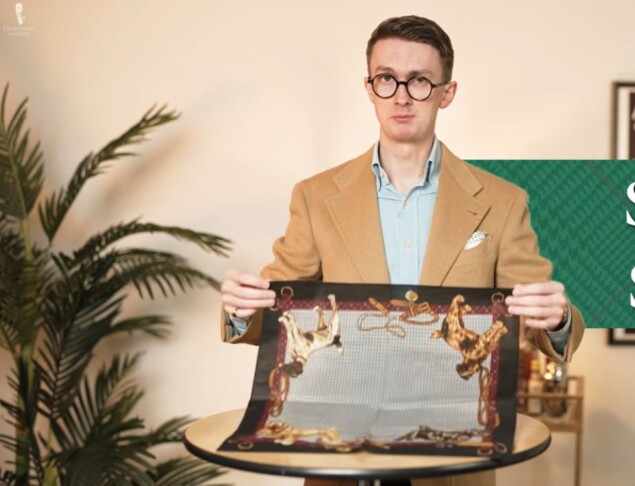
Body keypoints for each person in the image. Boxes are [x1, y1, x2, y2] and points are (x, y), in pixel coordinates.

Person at [219, 15, 584, 486]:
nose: (402, 96)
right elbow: (280, 311)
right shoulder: (314, 197)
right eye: (387, 79)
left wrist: (555, 322)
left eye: (419, 81)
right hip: (340, 454)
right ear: (369, 88)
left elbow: (545, 326)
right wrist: (240, 310)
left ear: (446, 93)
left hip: (456, 459)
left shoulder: (503, 201)